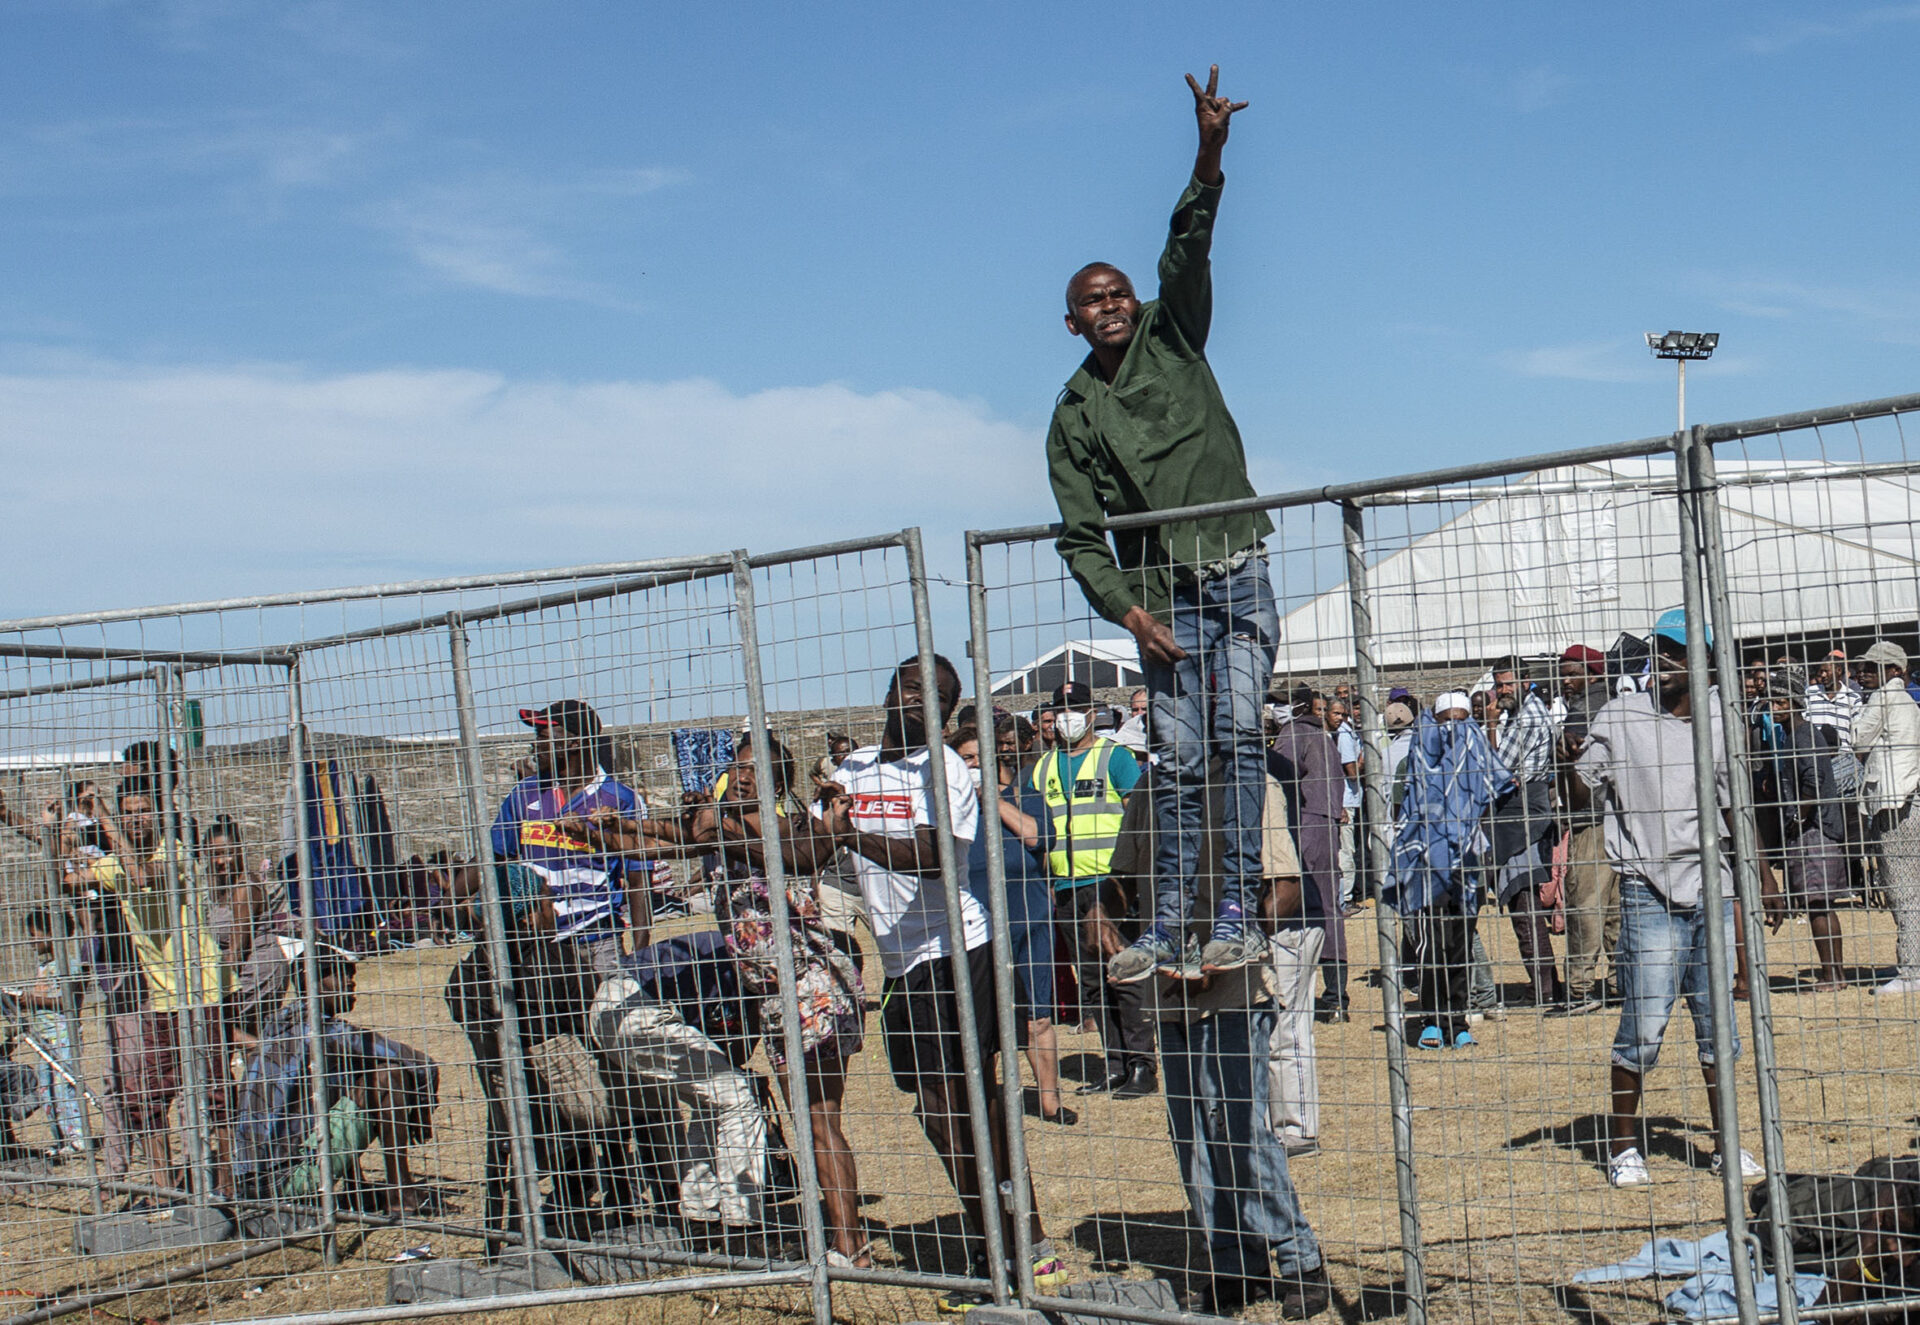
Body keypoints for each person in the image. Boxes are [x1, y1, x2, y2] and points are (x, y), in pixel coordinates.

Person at [1046, 66, 1275, 986]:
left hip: (1232, 567)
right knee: (1177, 759)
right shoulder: (1071, 414)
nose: (1110, 306)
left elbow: (1190, 246)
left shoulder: (1174, 335)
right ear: (1071, 322)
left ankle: (1236, 910)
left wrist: (1209, 149)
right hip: (1158, 600)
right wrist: (1125, 613)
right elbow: (1076, 534)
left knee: (1240, 738)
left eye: (1118, 293)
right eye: (1092, 301)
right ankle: (1171, 926)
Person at [828, 655, 1060, 1302]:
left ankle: (1016, 1246)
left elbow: (938, 858)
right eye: (905, 685)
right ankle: (1007, 1238)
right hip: (899, 962)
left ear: (943, 709)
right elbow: (820, 849)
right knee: (943, 1109)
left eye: (932, 694)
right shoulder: (852, 771)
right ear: (887, 691)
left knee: (961, 1101)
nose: (912, 699)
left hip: (956, 947)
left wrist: (852, 837)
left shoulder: (946, 769)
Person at [1567, 609, 1761, 1188]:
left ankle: (1727, 1145)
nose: (1669, 662)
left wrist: (1761, 877)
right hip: (1648, 890)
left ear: (1706, 666)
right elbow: (1583, 788)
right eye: (1664, 650)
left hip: (1712, 884)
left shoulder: (1721, 720)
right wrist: (1566, 758)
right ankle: (1625, 1148)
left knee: (1718, 1025)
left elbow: (1734, 804)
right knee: (1646, 1023)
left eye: (1682, 653)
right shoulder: (1622, 715)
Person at [1130, 765, 1329, 1318]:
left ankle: (1299, 1260)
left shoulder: (1250, 784)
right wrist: (1124, 941)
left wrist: (1227, 951)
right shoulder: (1150, 787)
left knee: (1239, 1129)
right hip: (1168, 995)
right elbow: (1122, 880)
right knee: (1191, 1134)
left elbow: (1283, 888)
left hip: (1236, 996)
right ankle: (1229, 1264)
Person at [698, 735, 873, 1265]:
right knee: (817, 1120)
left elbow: (807, 852)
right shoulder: (729, 823)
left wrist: (830, 819)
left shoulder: (775, 826)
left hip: (809, 987)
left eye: (754, 770)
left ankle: (849, 1246)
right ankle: (848, 1241)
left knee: (819, 1121)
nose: (742, 776)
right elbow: (680, 835)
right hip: (781, 995)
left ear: (778, 781)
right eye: (737, 766)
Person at [81, 781, 231, 1198]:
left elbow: (142, 877)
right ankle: (167, 1192)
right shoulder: (117, 861)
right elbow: (71, 878)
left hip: (200, 992)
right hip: (160, 998)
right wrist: (58, 831)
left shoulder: (174, 853)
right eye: (128, 812)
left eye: (143, 810)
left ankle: (225, 1188)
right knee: (145, 1100)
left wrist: (105, 817)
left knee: (212, 1096)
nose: (136, 819)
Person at [232, 950, 436, 1213]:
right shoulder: (322, 1032)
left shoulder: (277, 1025)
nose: (352, 982)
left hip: (253, 1178)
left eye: (352, 974)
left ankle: (356, 1189)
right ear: (313, 982)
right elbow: (422, 1063)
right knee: (389, 1075)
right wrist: (423, 1107)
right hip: (281, 1180)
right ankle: (401, 1194)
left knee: (353, 1076)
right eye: (342, 975)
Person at [1030, 681, 1154, 1099]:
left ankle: (1142, 1064)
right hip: (1066, 886)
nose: (1066, 716)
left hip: (1110, 885)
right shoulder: (1043, 766)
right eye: (1059, 708)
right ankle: (1114, 1064)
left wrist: (1132, 877)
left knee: (1125, 973)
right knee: (1090, 980)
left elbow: (1139, 818)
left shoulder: (1114, 758)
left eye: (1075, 708)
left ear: (1092, 713)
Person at [954, 721, 1073, 1126]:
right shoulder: (946, 806)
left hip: (1028, 920)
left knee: (1037, 1017)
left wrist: (992, 799)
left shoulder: (1025, 796)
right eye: (964, 759)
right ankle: (982, 1100)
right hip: (974, 930)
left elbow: (1038, 838)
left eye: (978, 757)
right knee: (978, 1020)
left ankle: (1050, 1100)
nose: (972, 765)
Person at [1385, 695, 1511, 1050]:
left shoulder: (1476, 762)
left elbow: (1496, 791)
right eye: (1445, 721)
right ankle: (1431, 1019)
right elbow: (1404, 809)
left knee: (1458, 944)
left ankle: (1457, 1020)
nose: (1452, 730)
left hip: (1467, 858)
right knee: (1430, 944)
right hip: (1425, 861)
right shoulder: (1416, 759)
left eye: (1460, 721)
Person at [489, 700, 643, 976]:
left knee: (611, 1015)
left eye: (542, 737)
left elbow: (638, 881)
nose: (534, 746)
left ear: (572, 743)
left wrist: (642, 957)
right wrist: (449, 902)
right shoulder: (525, 793)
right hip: (540, 943)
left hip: (599, 941)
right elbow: (495, 856)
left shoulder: (620, 800)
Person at [1757, 668, 1849, 989]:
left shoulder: (1804, 736)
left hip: (1814, 832)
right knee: (1816, 904)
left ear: (1787, 701)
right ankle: (1832, 973)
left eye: (1774, 701)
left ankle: (1832, 975)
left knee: (1818, 904)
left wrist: (1797, 816)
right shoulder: (1794, 736)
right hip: (1810, 830)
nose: (1770, 707)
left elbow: (1814, 781)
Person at [1267, 687, 1350, 1020]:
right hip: (1324, 823)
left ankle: (1324, 994)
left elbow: (1280, 776)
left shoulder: (1295, 733)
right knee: (1329, 905)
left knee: (1302, 906)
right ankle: (1335, 995)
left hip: (1304, 825)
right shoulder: (1320, 735)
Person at [1487, 660, 1565, 1009]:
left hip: (1522, 814)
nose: (1502, 691)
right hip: (1520, 811)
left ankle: (1543, 989)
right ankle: (1548, 985)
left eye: (1507, 684)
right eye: (1498, 685)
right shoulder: (1523, 714)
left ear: (1525, 681)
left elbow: (1495, 771)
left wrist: (1488, 726)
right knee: (1523, 902)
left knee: (1523, 904)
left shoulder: (1528, 716)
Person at [1556, 645, 1621, 1015]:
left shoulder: (1584, 710)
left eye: (1572, 673)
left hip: (1591, 818)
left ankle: (1579, 989)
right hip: (1619, 817)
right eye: (1563, 674)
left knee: (1586, 906)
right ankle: (1620, 981)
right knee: (1616, 909)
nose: (1566, 682)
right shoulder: (1615, 702)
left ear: (1593, 674)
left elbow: (1574, 764)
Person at [1852, 641, 1920, 995]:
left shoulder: (1883, 698)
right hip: (1910, 798)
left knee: (1903, 890)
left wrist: (1853, 715)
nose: (1863, 673)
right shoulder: (1909, 702)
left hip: (1893, 804)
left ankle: (1911, 971)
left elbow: (1857, 738)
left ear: (1894, 671)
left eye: (1872, 667)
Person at [14, 908, 88, 1157]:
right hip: (44, 1038)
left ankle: (78, 1136)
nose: (31, 940)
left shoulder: (69, 966)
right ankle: (60, 1139)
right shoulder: (45, 966)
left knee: (65, 1085)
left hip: (64, 1035)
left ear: (52, 934)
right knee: (47, 1089)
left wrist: (30, 1000)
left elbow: (66, 1001)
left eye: (35, 935)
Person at [1327, 698, 1363, 913]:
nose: (1340, 718)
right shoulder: (1345, 734)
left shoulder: (1342, 732)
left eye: (1343, 714)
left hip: (1345, 799)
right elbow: (1351, 771)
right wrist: (1364, 762)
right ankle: (1345, 898)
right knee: (1345, 851)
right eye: (1336, 713)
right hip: (1345, 800)